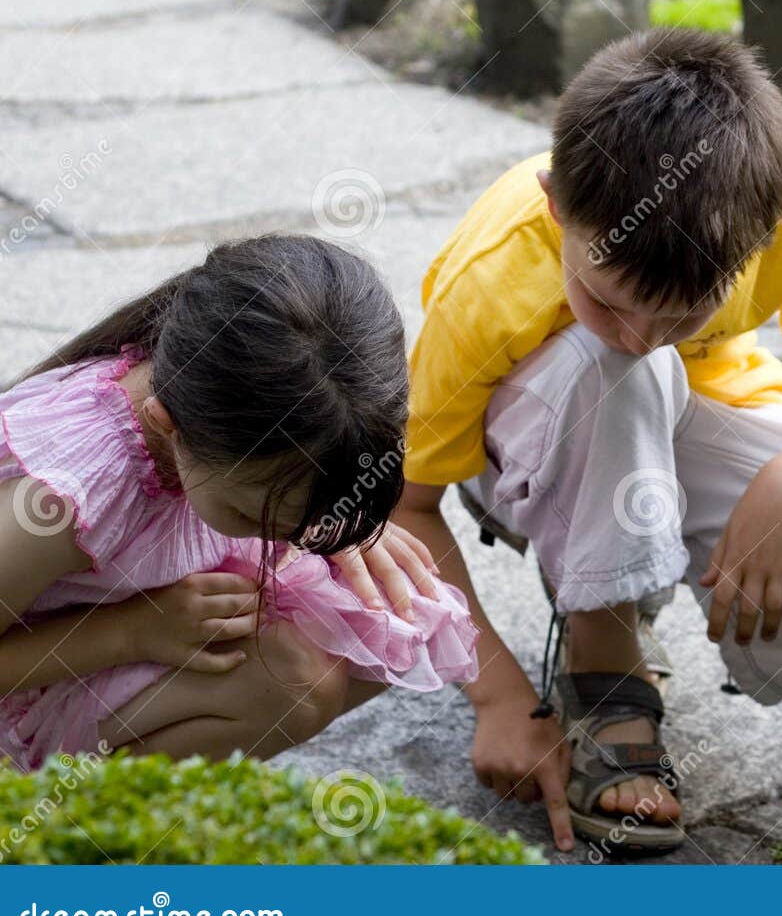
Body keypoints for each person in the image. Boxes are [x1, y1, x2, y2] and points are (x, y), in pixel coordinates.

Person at [395, 28, 782, 854]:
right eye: (605, 297)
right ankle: (604, 662)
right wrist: (497, 697)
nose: (645, 331)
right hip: (525, 441)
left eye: (686, 315)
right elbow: (406, 506)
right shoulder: (496, 271)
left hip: (681, 425)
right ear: (552, 202)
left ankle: (628, 568)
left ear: (766, 233)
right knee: (616, 368)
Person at [0, 235, 478, 771]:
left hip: (119, 618)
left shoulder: (221, 410)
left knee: (392, 611)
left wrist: (334, 521)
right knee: (293, 680)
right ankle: (63, 821)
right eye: (257, 515)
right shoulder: (70, 494)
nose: (294, 533)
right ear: (168, 426)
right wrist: (131, 632)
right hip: (33, 674)